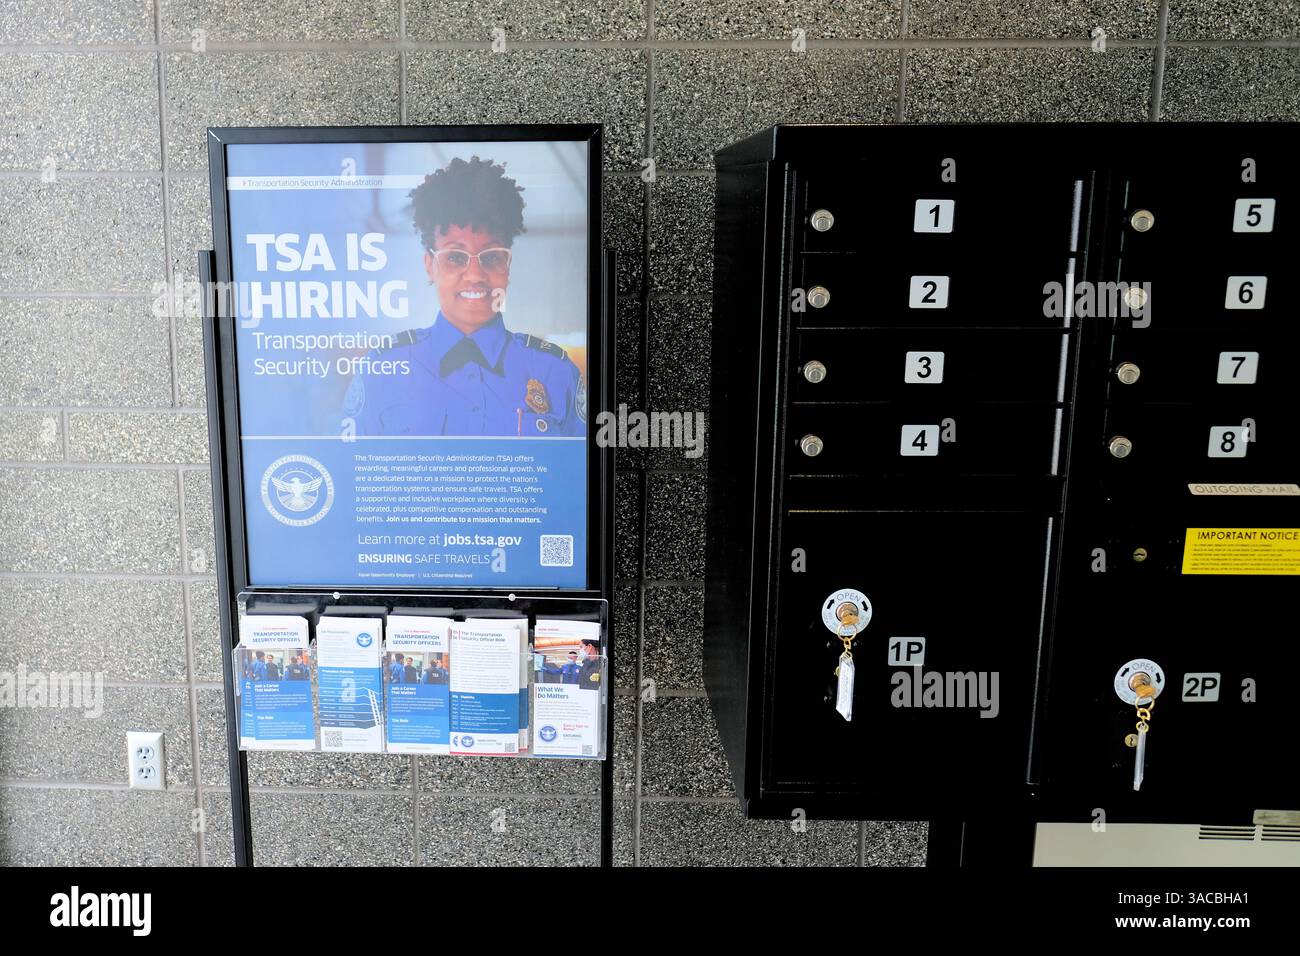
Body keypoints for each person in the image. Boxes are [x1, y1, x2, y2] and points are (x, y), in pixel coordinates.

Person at [343, 156, 586, 437]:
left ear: (507, 266)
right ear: (429, 265)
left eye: (491, 257)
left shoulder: (554, 372)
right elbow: (354, 474)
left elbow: (578, 477)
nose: (474, 275)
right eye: (456, 257)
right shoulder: (382, 370)